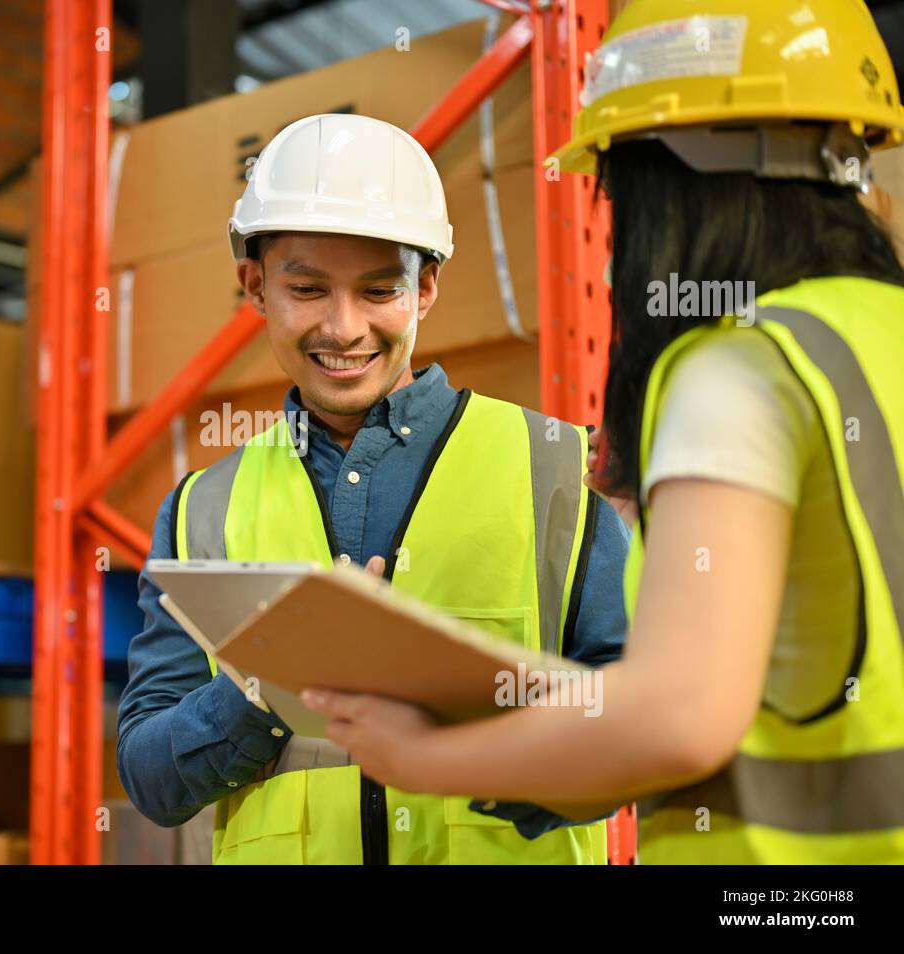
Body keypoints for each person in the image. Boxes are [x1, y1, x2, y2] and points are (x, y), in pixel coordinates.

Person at [302, 0, 904, 863]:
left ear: (665, 184)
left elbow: (678, 718)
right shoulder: (875, 334)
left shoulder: (739, 367)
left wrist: (424, 757)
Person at [117, 112, 631, 864]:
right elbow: (152, 779)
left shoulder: (550, 466)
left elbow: (637, 727)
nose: (344, 327)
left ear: (425, 289)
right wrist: (272, 680)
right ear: (255, 286)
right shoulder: (203, 508)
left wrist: (469, 735)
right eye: (307, 289)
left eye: (379, 289)